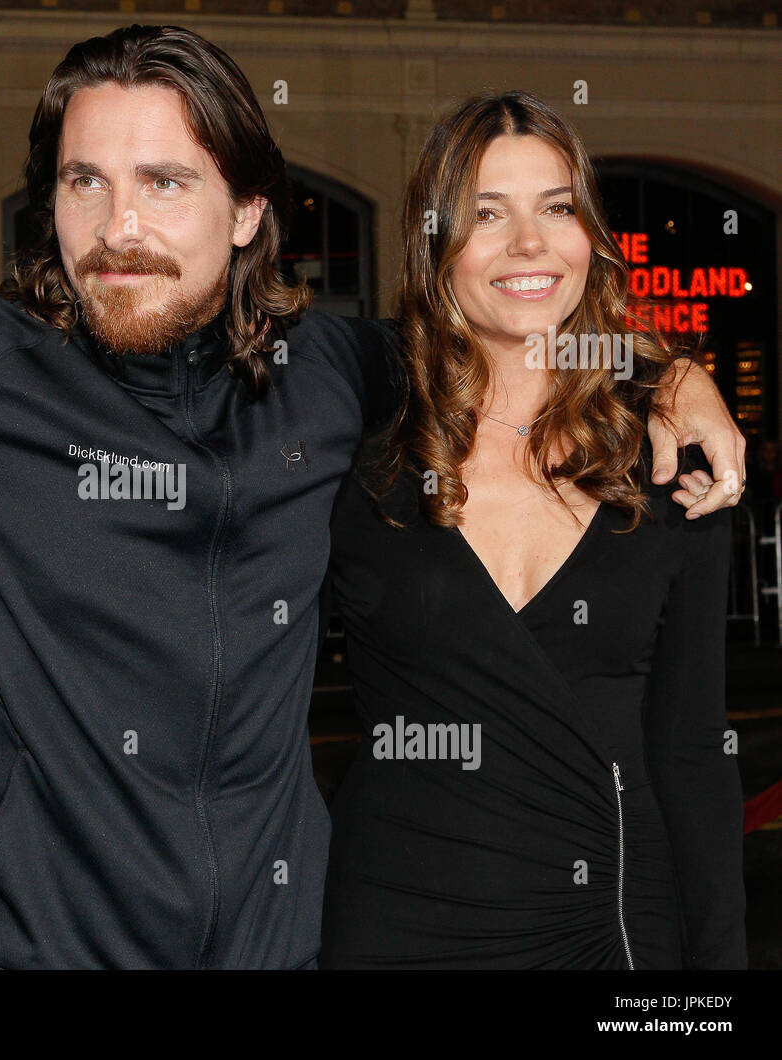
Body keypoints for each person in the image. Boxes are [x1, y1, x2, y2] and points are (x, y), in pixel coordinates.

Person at [0, 27, 744, 968]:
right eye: (85, 182)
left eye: (164, 182)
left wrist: (672, 376)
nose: (120, 227)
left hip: (283, 949)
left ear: (246, 214)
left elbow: (498, 336)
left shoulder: (336, 378)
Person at [320, 91, 747, 969]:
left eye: (556, 208)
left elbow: (694, 753)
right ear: (437, 244)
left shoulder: (668, 462)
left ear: (589, 234)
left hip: (614, 933)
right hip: (397, 926)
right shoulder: (357, 440)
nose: (529, 244)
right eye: (486, 213)